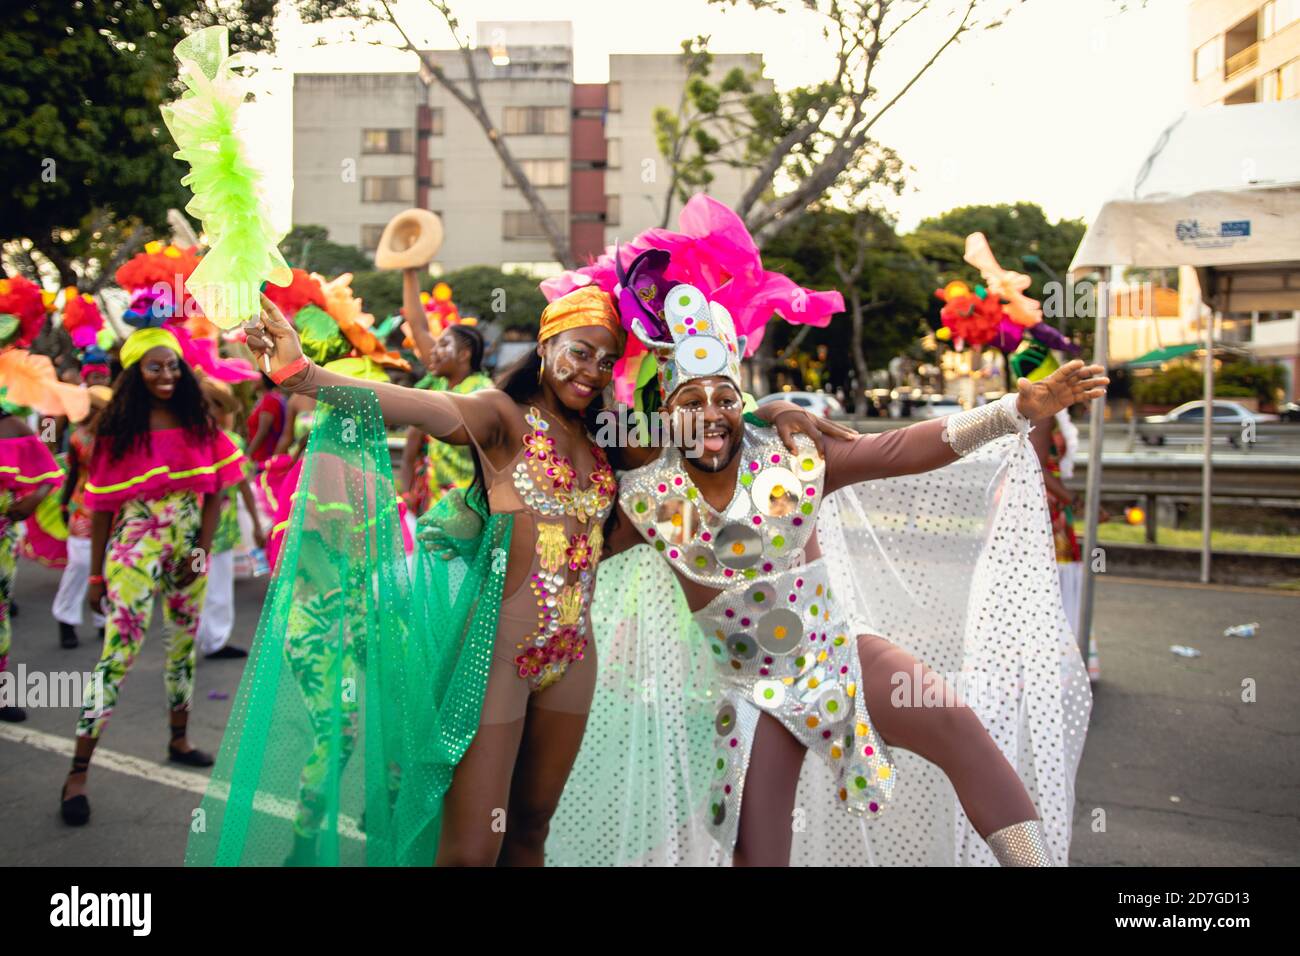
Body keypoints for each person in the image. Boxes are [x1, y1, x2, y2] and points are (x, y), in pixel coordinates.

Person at [185, 282, 833, 868]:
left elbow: (704, 428)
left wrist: (770, 409)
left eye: (607, 360)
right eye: (580, 352)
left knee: (530, 832)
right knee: (471, 849)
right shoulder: (502, 418)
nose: (593, 371)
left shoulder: (610, 436)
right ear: (547, 344)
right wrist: (302, 374)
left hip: (573, 658)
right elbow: (415, 406)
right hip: (499, 656)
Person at [60, 328, 246, 826]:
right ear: (134, 373)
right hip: (133, 551)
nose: (166, 375)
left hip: (188, 553)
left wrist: (201, 554)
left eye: (172, 366)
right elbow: (101, 509)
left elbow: (215, 495)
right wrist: (97, 578)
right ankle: (77, 773)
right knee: (117, 656)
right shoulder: (119, 430)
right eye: (153, 366)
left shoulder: (197, 421)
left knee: (183, 648)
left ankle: (179, 737)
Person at [195, 377, 267, 660]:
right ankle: (202, 637)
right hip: (195, 528)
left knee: (215, 585)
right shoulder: (189, 441)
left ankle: (213, 639)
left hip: (218, 530)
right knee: (199, 585)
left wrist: (257, 524)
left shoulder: (230, 442)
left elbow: (244, 487)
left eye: (216, 406)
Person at [398, 324, 493, 517]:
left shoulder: (484, 393)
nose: (433, 351)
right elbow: (410, 451)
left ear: (464, 354)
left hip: (471, 508)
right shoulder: (436, 388)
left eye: (443, 344)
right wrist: (407, 494)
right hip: (431, 504)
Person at [52, 385, 114, 649]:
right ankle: (66, 619)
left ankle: (103, 620)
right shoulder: (78, 437)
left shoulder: (120, 439)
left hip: (113, 509)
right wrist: (64, 505)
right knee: (78, 565)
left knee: (109, 565)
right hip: (83, 507)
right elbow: (74, 473)